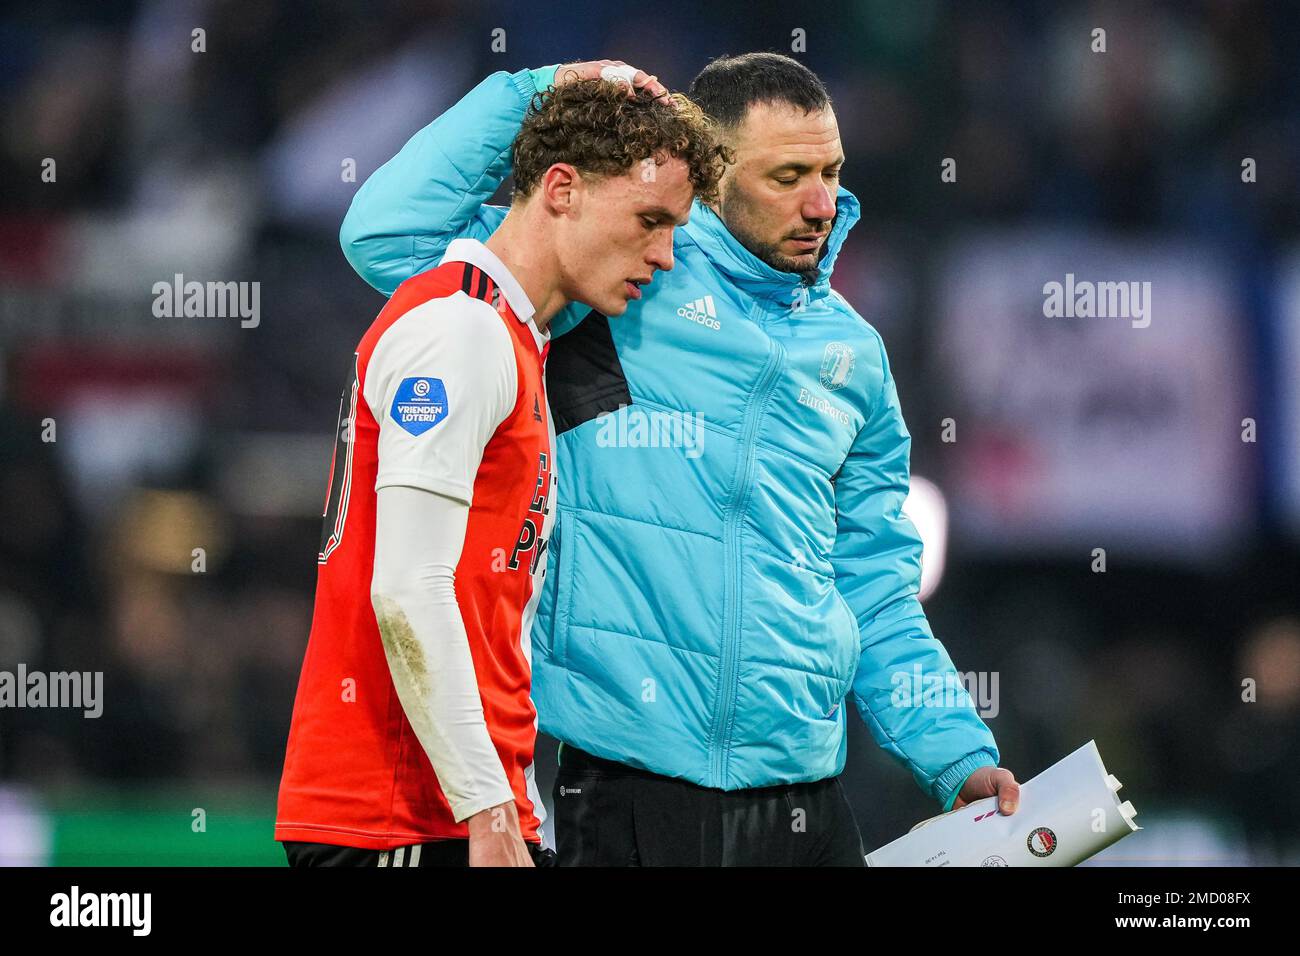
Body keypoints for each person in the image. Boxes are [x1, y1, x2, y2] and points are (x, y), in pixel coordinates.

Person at [340, 53, 1020, 866]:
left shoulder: (855, 355)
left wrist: (957, 754)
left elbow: (874, 582)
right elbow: (384, 232)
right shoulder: (609, 274)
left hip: (807, 801)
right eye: (788, 176)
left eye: (831, 172)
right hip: (632, 792)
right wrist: (538, 90)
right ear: (712, 176)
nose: (821, 204)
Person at [275, 74, 727, 866]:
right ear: (562, 189)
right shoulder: (461, 332)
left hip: (457, 809)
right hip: (399, 815)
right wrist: (487, 811)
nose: (663, 255)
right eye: (650, 220)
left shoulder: (512, 337)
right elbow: (407, 589)